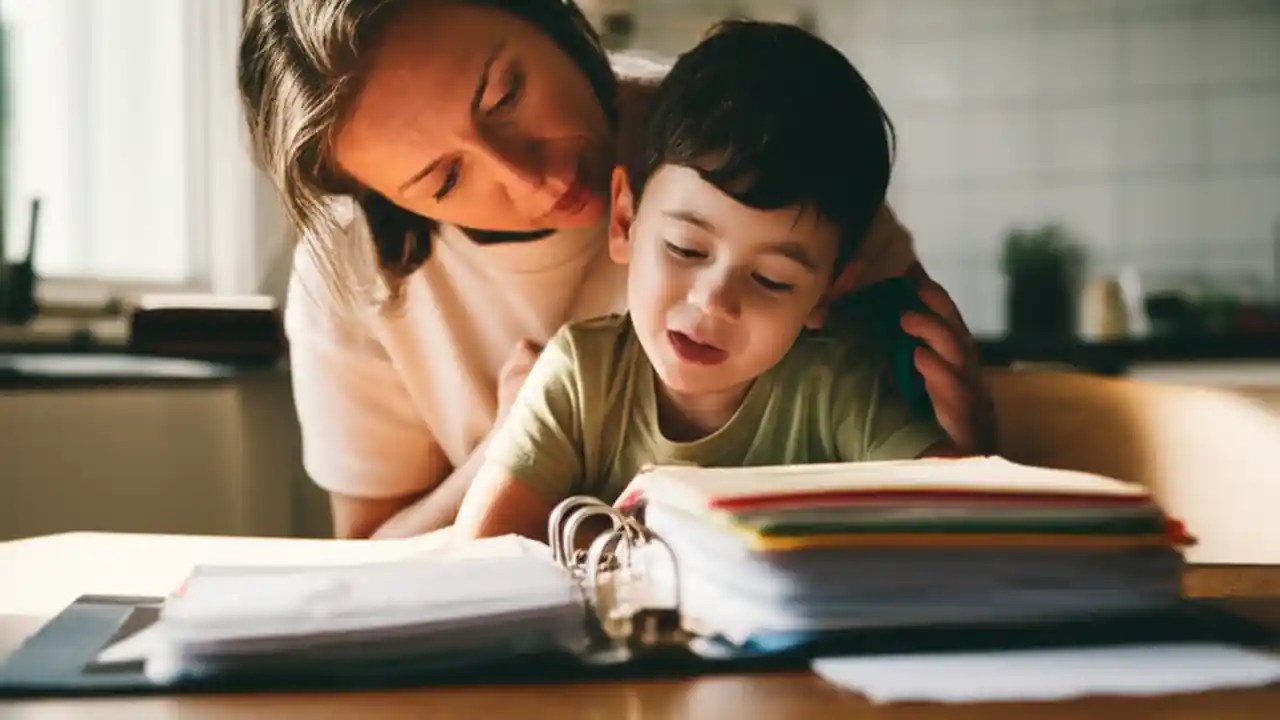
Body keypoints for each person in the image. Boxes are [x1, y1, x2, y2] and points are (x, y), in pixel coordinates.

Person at [237, 0, 993, 540]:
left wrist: (973, 438)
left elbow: (933, 478)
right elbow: (374, 557)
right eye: (443, 181)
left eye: (506, 94)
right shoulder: (351, 270)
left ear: (545, 15)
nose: (529, 178)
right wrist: (511, 443)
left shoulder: (753, 138)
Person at [453, 21, 954, 541]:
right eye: (686, 248)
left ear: (824, 293)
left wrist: (973, 448)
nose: (714, 301)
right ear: (626, 222)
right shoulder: (581, 378)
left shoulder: (836, 388)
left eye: (772, 279)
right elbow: (482, 552)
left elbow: (963, 522)